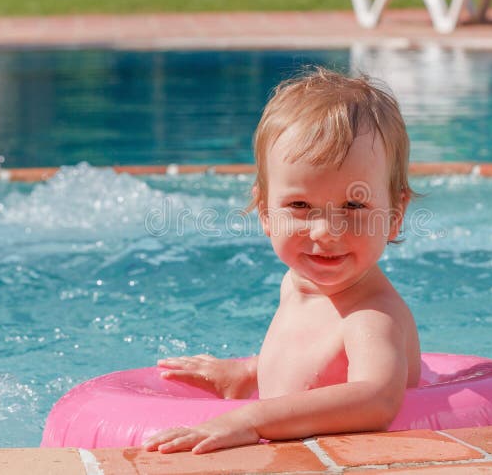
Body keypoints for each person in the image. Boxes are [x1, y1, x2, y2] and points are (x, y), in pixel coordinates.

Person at [144, 67, 421, 454]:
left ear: (394, 214)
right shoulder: (295, 283)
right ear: (265, 212)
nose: (326, 232)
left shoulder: (372, 317)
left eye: (354, 205)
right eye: (300, 205)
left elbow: (375, 399)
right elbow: (315, 364)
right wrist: (244, 372)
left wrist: (249, 419)